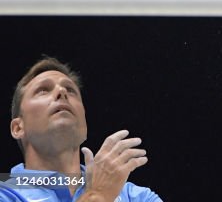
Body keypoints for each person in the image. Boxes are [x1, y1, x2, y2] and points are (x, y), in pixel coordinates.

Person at [1, 57, 162, 201]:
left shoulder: (135, 196)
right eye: (43, 90)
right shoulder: (5, 192)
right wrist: (97, 195)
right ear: (18, 128)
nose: (62, 91)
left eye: (71, 90)